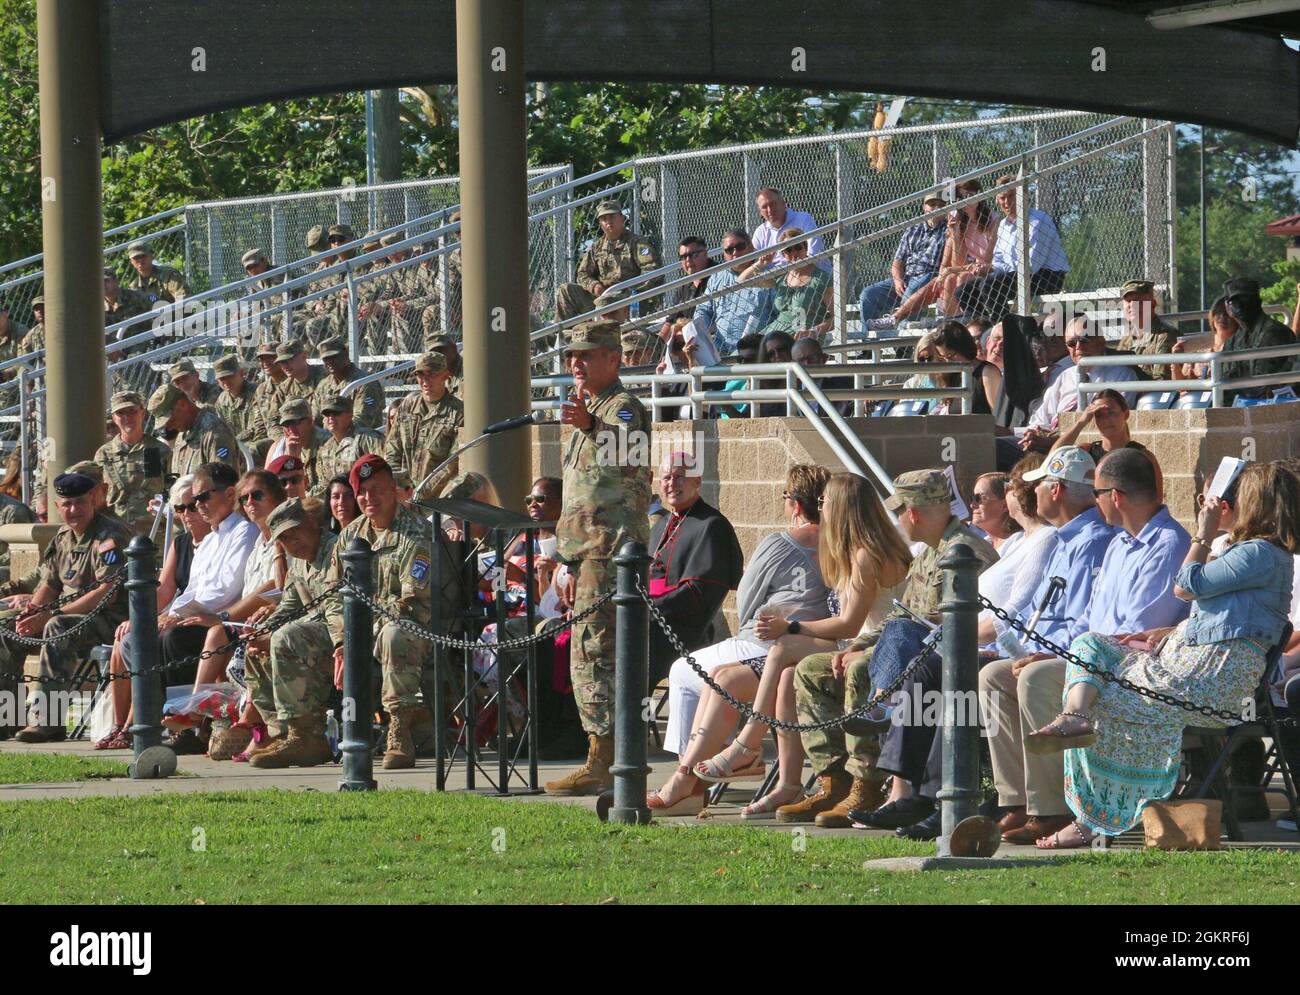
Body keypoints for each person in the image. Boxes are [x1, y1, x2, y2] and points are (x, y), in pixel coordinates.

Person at [1025, 461, 1298, 847]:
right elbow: (1234, 614)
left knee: (1108, 697)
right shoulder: (1251, 554)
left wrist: (1201, 534)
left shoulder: (1260, 554)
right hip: (1191, 663)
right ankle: (1075, 717)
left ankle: (1091, 819)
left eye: (1219, 499)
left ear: (1254, 502)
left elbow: (1186, 586)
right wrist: (1171, 632)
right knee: (1090, 644)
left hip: (1210, 680)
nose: (1211, 504)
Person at [690, 473, 916, 825]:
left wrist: (791, 626)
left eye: (825, 503)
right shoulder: (856, 549)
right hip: (859, 645)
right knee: (788, 675)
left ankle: (748, 745)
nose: (821, 509)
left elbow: (849, 624)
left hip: (877, 650)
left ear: (841, 508)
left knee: (782, 649)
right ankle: (793, 783)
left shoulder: (866, 555)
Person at [784, 470, 996, 828]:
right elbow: (905, 613)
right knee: (809, 670)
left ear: (912, 513)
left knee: (863, 667)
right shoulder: (930, 552)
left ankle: (871, 771)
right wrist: (859, 644)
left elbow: (937, 622)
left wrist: (862, 650)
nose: (896, 519)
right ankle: (836, 778)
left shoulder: (963, 550)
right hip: (916, 651)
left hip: (956, 656)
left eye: (899, 512)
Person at [968, 446, 1118, 843]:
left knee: (1031, 678)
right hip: (1044, 649)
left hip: (1075, 656)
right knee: (993, 676)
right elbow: (1038, 611)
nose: (1033, 495)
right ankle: (1016, 799)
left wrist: (1044, 652)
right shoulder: (1063, 540)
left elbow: (1087, 618)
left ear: (1058, 491)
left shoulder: (1093, 542)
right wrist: (1015, 648)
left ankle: (1050, 807)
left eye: (1040, 487)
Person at [657, 465, 831, 761]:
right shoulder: (839, 541)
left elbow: (747, 599)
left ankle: (693, 767)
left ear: (796, 505)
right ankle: (713, 757)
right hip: (811, 645)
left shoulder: (779, 543)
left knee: (684, 671)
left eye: (786, 496)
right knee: (718, 676)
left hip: (766, 642)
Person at [544, 319, 652, 795]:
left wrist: (592, 425)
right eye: (572, 357)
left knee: (597, 652)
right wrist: (567, 560)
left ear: (614, 358)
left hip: (610, 554)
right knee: (588, 651)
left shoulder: (623, 408)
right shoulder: (588, 411)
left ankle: (605, 757)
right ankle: (601, 749)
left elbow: (630, 457)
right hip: (584, 554)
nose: (576, 364)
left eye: (587, 356)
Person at [323, 455, 458, 768]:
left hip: (417, 628)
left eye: (377, 489)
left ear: (394, 490)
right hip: (359, 631)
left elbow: (410, 603)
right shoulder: (350, 535)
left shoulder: (416, 533)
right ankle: (301, 733)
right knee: (291, 637)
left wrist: (358, 633)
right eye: (362, 492)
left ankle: (400, 731)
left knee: (394, 634)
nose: (369, 498)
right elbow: (332, 597)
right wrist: (341, 642)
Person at [0, 472, 132, 741]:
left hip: (109, 621)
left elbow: (105, 590)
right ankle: (9, 717)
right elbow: (49, 585)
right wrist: (32, 613)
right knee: (7, 625)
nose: (74, 510)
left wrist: (52, 614)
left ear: (93, 500)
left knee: (56, 626)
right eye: (67, 504)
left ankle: (49, 721)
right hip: (66, 617)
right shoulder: (62, 538)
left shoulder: (109, 537)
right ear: (57, 507)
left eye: (80, 503)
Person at [171, 469, 285, 756]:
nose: (250, 503)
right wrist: (172, 613)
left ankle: (229, 722)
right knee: (179, 636)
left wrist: (223, 617)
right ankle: (205, 720)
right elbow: (204, 588)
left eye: (257, 495)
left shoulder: (281, 535)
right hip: (248, 620)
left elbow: (275, 586)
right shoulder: (259, 541)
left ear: (277, 498)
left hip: (277, 616)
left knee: (212, 634)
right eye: (245, 497)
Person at [95, 476, 210, 750]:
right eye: (179, 510)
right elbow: (163, 592)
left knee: (140, 642)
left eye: (191, 507)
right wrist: (138, 619)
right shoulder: (181, 543)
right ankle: (121, 725)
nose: (186, 516)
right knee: (123, 638)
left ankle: (135, 727)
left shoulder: (216, 542)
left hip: (190, 616)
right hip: (173, 611)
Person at [245, 496, 340, 768]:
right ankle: (284, 733)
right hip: (314, 637)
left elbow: (336, 609)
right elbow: (288, 605)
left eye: (295, 531)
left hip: (342, 636)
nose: (292, 541)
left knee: (286, 637)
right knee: (255, 647)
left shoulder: (335, 550)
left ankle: (304, 734)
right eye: (284, 538)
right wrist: (262, 631)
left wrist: (275, 634)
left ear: (310, 523)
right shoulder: (297, 563)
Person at [646, 452, 744, 681]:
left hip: (680, 631)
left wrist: (649, 609)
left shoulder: (712, 526)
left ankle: (635, 716)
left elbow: (698, 595)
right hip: (650, 619)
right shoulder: (662, 524)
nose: (671, 484)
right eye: (666, 478)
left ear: (697, 481)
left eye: (679, 477)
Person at [975, 454, 1059, 650]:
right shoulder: (1018, 539)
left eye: (1009, 488)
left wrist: (968, 633)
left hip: (993, 647)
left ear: (1022, 492)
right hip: (976, 641)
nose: (1007, 493)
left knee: (920, 672)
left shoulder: (1045, 538)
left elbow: (1019, 604)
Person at [959, 176, 1070, 320]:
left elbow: (1032, 265)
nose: (1006, 202)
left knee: (989, 285)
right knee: (964, 291)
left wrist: (997, 273)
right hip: (1015, 274)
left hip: (1046, 276)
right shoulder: (1003, 225)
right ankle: (983, 328)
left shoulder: (1037, 221)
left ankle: (1005, 329)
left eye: (1011, 196)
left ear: (1023, 196)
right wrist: (990, 268)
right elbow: (999, 259)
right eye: (1002, 198)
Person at [555, 200, 662, 320]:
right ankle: (562, 334)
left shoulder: (637, 243)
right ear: (600, 223)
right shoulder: (597, 247)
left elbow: (651, 270)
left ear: (622, 218)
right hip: (600, 298)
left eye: (612, 216)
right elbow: (582, 274)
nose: (608, 221)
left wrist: (625, 290)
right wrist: (595, 286)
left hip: (627, 301)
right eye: (604, 218)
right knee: (565, 290)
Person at [1050, 388, 1164, 499]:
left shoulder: (1142, 456)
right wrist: (1081, 422)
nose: (1106, 419)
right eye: (1099, 415)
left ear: (1126, 414)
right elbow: (1054, 459)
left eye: (1111, 413)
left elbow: (1156, 499)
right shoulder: (1087, 452)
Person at [385, 350, 465, 501]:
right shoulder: (408, 405)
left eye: (432, 374)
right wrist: (400, 487)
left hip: (438, 502)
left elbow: (452, 464)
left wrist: (419, 494)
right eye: (420, 375)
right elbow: (392, 450)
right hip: (403, 496)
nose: (425, 380)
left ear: (445, 376)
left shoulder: (459, 413)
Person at [858, 193, 947, 323]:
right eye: (932, 204)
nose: (936, 208)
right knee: (868, 294)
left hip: (930, 276)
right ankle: (868, 340)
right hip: (907, 277)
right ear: (924, 207)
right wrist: (898, 280)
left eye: (940, 205)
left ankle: (902, 341)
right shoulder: (913, 229)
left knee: (911, 290)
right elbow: (897, 262)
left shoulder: (949, 229)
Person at [94, 390, 171, 534]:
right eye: (121, 413)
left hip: (153, 537)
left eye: (132, 411)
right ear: (114, 418)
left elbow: (171, 493)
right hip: (116, 535)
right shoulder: (104, 454)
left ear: (142, 412)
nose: (127, 417)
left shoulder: (160, 451)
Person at [691, 229, 775, 356]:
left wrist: (764, 337)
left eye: (740, 247)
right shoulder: (716, 278)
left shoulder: (769, 274)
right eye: (729, 250)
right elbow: (703, 310)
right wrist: (704, 332)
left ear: (751, 248)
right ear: (724, 255)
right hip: (721, 350)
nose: (735, 253)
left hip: (757, 350)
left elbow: (780, 313)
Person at [743, 229, 832, 339]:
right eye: (788, 250)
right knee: (742, 351)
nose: (794, 253)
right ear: (783, 254)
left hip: (801, 337)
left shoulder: (820, 278)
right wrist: (761, 264)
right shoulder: (782, 275)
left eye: (798, 247)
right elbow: (742, 282)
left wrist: (813, 331)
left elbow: (837, 318)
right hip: (775, 331)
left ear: (806, 248)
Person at [1217, 277, 1296, 400]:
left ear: (1258, 301)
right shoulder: (1234, 340)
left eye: (1247, 299)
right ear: (1227, 306)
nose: (1242, 306)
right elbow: (1225, 378)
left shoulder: (1275, 333)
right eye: (1235, 301)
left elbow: (1261, 387)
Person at [146, 382, 240, 478]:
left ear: (182, 404)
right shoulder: (182, 434)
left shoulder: (215, 433)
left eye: (171, 420)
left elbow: (222, 483)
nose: (169, 428)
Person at [936, 180, 998, 317]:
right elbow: (959, 263)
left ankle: (968, 320)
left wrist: (951, 269)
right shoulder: (963, 222)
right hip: (972, 268)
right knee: (950, 279)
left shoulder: (994, 220)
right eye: (961, 197)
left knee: (961, 276)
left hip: (992, 268)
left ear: (979, 196)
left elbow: (986, 261)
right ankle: (951, 321)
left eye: (969, 195)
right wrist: (955, 233)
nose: (965, 200)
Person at [314, 336, 385, 430]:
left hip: (360, 439)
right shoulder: (323, 385)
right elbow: (315, 419)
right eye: (326, 359)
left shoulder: (364, 383)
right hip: (329, 439)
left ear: (345, 354)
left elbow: (362, 421)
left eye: (334, 357)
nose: (330, 362)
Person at [932, 319, 1001, 416]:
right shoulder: (953, 376)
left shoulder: (987, 373)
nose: (947, 361)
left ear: (962, 347)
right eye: (943, 357)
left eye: (950, 355)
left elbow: (998, 418)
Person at [316, 393, 382, 489]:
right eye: (327, 414)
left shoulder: (368, 439)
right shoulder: (325, 449)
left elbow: (385, 472)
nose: (331, 417)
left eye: (336, 413)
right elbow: (324, 486)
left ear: (350, 415)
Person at [1114, 279, 1178, 380]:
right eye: (1128, 301)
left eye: (1138, 301)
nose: (1132, 305)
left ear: (1152, 304)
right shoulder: (1127, 339)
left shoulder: (1165, 335)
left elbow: (1161, 380)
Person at [751, 187, 826, 268]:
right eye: (764, 207)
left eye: (773, 204)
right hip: (775, 279)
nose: (769, 210)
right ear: (760, 212)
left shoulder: (803, 219)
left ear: (783, 203)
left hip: (810, 273)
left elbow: (814, 253)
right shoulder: (760, 232)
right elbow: (754, 264)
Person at [657, 237, 712, 343]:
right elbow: (670, 321)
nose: (688, 260)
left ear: (705, 254)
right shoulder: (683, 285)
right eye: (683, 257)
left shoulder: (719, 276)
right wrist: (656, 345)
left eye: (693, 255)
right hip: (689, 341)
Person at [1171, 296, 1237, 382]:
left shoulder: (1240, 348)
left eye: (1228, 313)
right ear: (1212, 316)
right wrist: (1174, 362)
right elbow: (1180, 387)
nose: (1223, 316)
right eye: (1219, 312)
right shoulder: (1197, 347)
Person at [273, 398, 330, 492]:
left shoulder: (327, 443)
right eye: (286, 424)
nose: (290, 429)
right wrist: (292, 459)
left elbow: (327, 487)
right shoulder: (287, 446)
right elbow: (286, 487)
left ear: (310, 421)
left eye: (295, 422)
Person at [791, 338, 854, 417]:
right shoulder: (786, 390)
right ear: (792, 364)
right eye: (801, 360)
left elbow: (861, 397)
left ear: (824, 358)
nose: (807, 363)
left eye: (812, 358)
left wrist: (865, 401)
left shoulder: (844, 384)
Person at [212, 353, 262, 447]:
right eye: (222, 379)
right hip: (236, 446)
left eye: (230, 376)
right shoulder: (222, 400)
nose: (226, 382)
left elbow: (256, 429)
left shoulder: (257, 393)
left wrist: (233, 442)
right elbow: (221, 430)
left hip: (256, 444)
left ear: (241, 373)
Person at [126, 241, 189, 305]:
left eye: (143, 256)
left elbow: (183, 298)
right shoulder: (134, 288)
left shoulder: (168, 275)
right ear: (131, 261)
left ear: (152, 256)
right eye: (136, 258)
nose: (140, 260)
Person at [274, 339, 327, 414]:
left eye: (289, 360)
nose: (285, 366)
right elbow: (274, 417)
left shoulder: (324, 377)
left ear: (304, 356)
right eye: (282, 362)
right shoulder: (284, 388)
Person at [970, 472, 1020, 551]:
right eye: (972, 498)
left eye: (979, 498)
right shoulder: (983, 545)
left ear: (1005, 505)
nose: (972, 505)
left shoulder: (1019, 544)